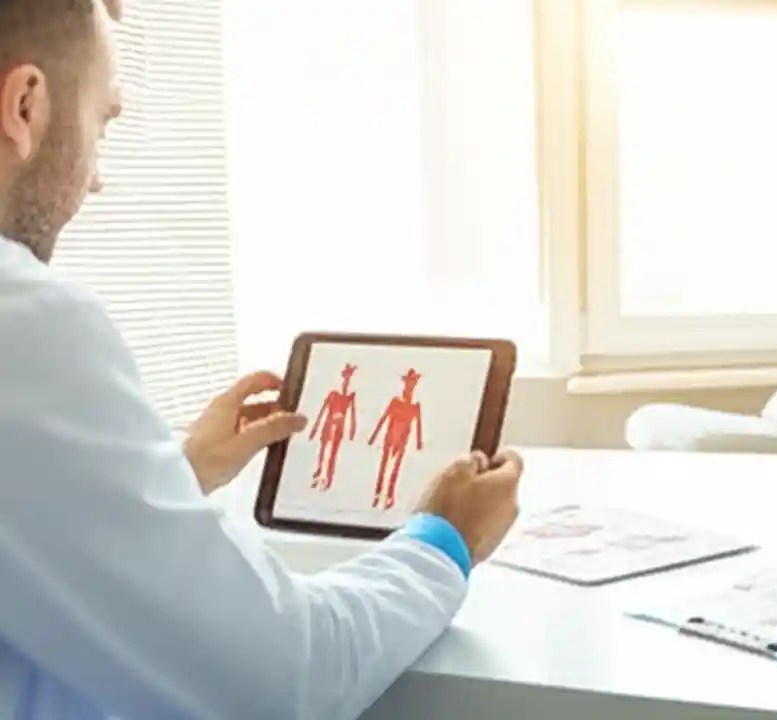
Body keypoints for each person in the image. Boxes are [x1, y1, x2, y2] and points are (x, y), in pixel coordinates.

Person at [0, 1, 525, 718]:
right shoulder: (24, 321)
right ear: (23, 106)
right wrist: (445, 537)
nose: (96, 177)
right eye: (104, 118)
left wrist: (170, 475)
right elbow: (284, 678)